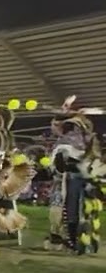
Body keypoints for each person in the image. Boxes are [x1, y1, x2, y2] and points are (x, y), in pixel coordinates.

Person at [41, 96, 105, 254]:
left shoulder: (69, 142)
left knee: (70, 210)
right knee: (77, 210)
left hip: (71, 180)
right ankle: (79, 242)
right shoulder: (84, 140)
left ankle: (71, 242)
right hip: (77, 180)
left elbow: (60, 166)